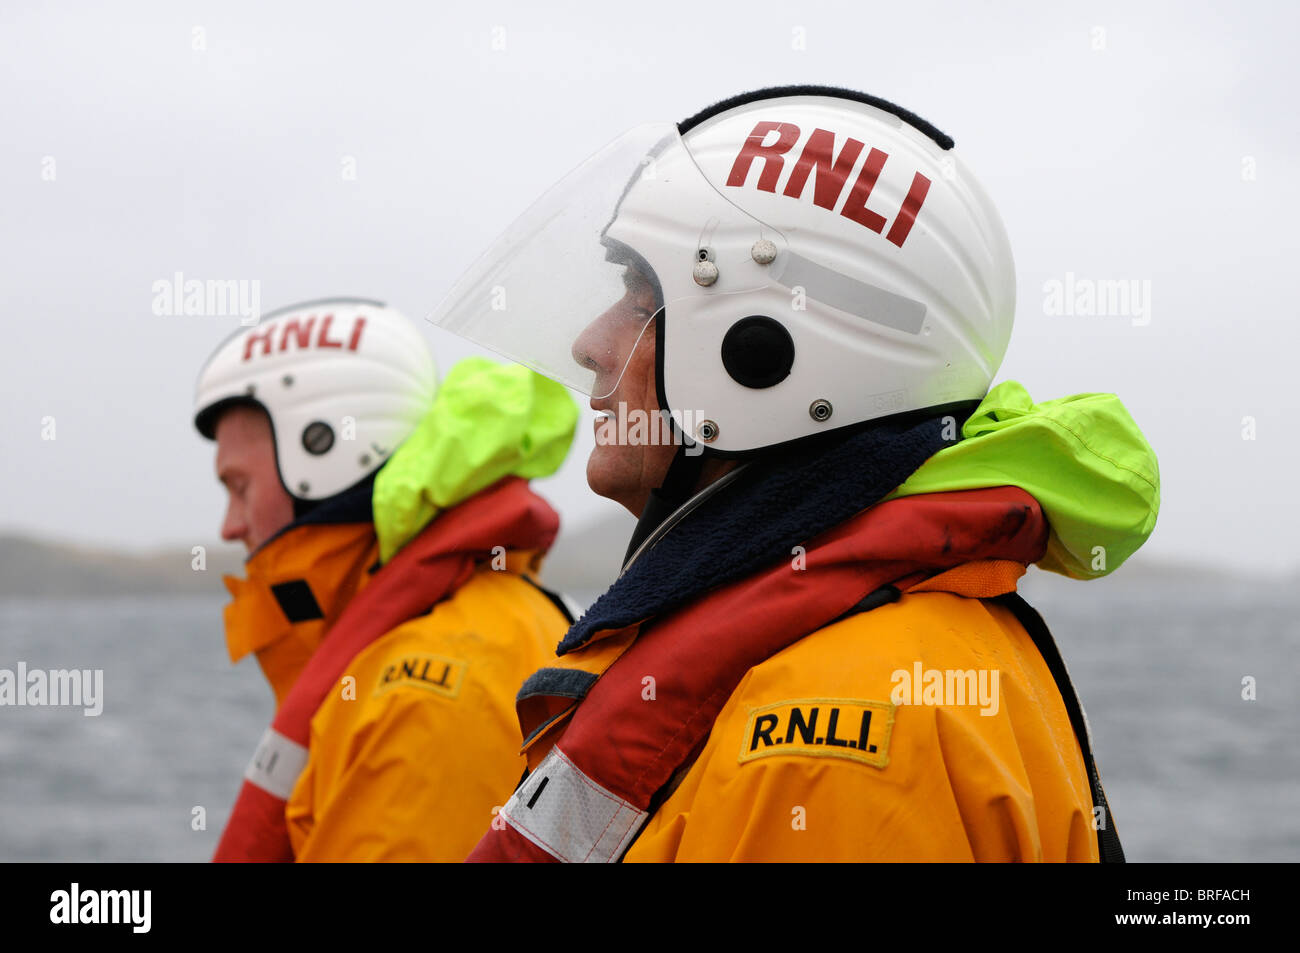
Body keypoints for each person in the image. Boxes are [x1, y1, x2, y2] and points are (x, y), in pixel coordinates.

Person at [429, 86, 1160, 862]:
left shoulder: (827, 733)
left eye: (641, 297)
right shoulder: (866, 659)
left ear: (763, 352)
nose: (589, 343)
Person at [192, 296, 578, 861]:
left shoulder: (430, 684)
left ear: (319, 453)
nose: (228, 526)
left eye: (240, 486)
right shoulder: (464, 625)